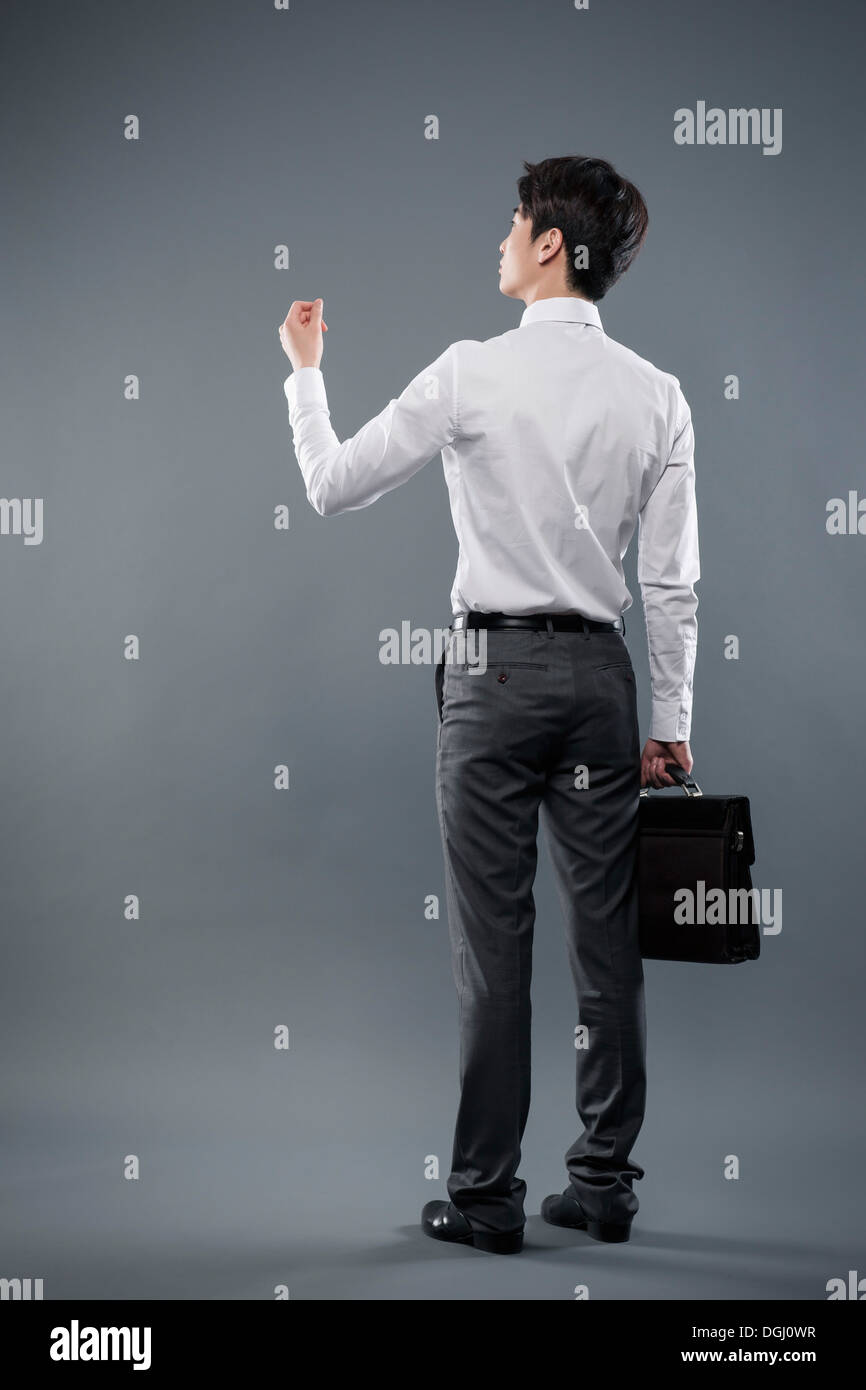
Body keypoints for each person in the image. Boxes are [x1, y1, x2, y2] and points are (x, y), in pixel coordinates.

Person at [278, 154, 700, 1256]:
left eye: (514, 221)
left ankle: (483, 1198)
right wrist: (670, 722)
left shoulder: (469, 373)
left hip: (490, 680)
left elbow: (331, 485)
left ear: (552, 244)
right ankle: (602, 1184)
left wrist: (305, 371)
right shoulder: (656, 395)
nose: (501, 237)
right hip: (603, 683)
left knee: (491, 948)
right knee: (607, 944)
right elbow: (669, 584)